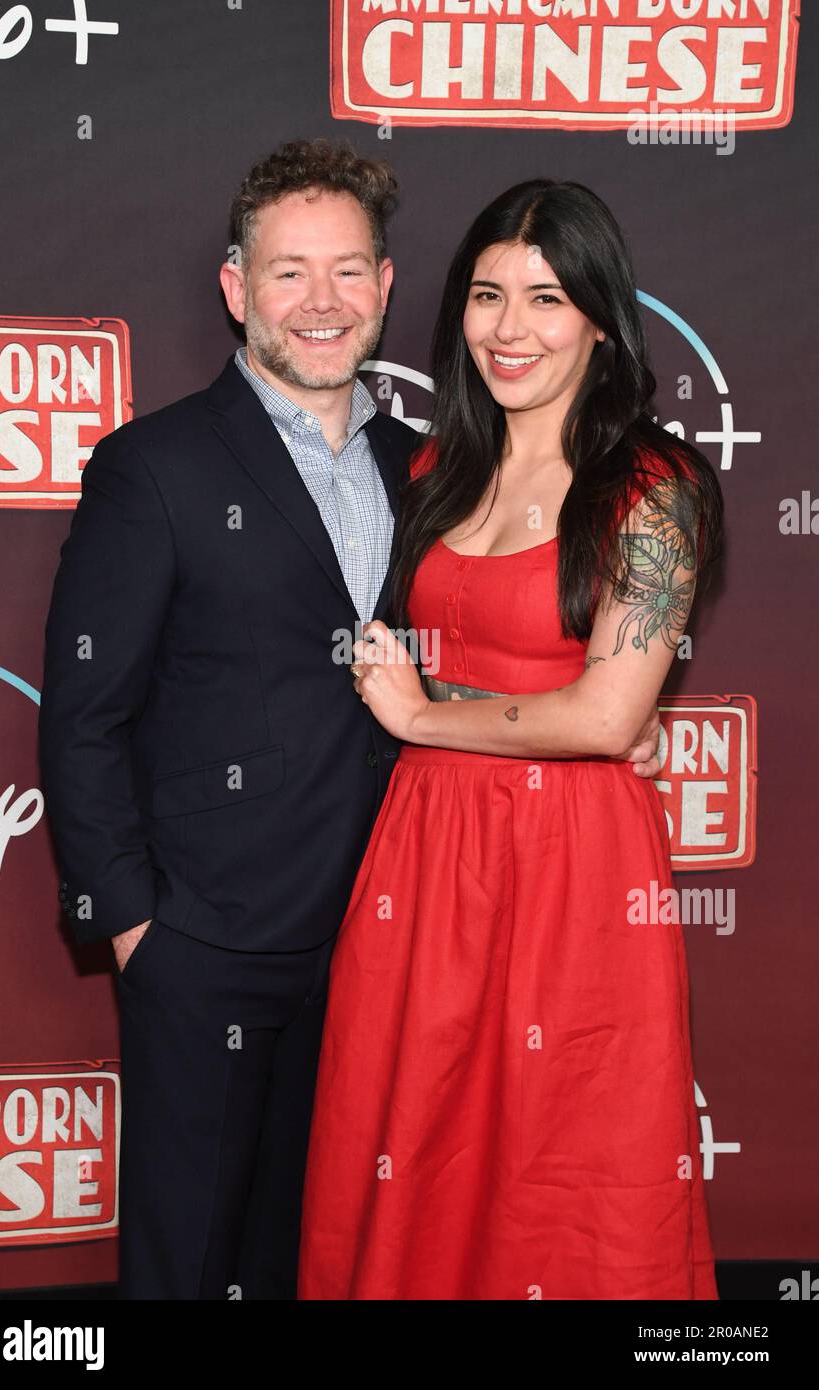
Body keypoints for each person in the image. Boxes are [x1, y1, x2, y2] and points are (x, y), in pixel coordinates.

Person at [298, 178, 724, 1300]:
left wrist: (423, 717)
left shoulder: (655, 484)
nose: (508, 327)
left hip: (574, 870)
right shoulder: (437, 470)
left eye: (543, 298)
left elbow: (604, 713)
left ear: (596, 317)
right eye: (487, 295)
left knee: (560, 1155)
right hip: (426, 854)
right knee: (417, 1141)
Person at [38, 138, 416, 1299]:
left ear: (385, 287)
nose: (320, 302)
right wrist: (136, 928)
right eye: (288, 270)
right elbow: (84, 707)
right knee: (190, 1259)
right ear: (235, 286)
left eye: (347, 271)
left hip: (379, 936)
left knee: (316, 1254)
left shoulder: (424, 465)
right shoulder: (153, 468)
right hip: (206, 942)